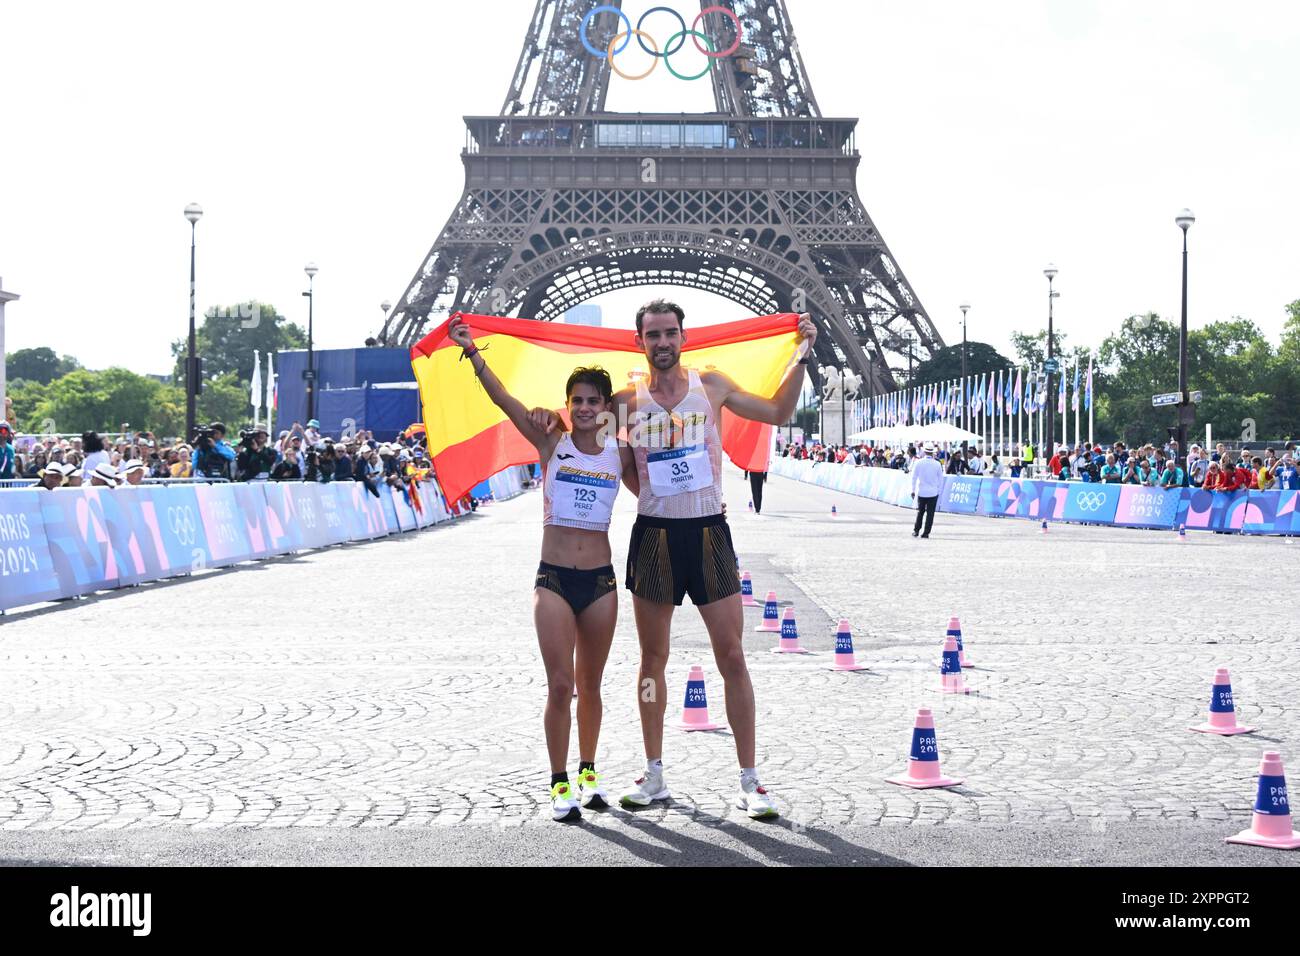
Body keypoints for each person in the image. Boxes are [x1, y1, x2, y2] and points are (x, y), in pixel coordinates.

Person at [533, 300, 816, 820]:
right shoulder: (624, 402)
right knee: (652, 662)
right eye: (652, 335)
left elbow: (777, 412)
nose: (662, 342)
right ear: (639, 340)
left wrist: (801, 357)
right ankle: (655, 771)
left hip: (709, 533)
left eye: (670, 333)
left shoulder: (712, 387)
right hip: (655, 538)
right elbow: (580, 432)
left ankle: (751, 781)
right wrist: (547, 420)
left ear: (684, 337)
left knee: (732, 655)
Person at [451, 315, 638, 823]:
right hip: (554, 579)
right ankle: (559, 783)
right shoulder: (550, 443)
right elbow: (503, 400)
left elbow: (643, 405)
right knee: (561, 686)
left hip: (600, 583)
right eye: (575, 400)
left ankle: (589, 773)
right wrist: (473, 353)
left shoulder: (621, 454)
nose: (582, 408)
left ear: (604, 408)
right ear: (567, 404)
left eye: (592, 401)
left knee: (593, 687)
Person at [911, 442, 943, 538]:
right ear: (933, 452)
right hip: (933, 492)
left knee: (920, 512)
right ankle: (926, 533)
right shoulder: (937, 464)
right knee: (930, 514)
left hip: (921, 491)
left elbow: (914, 477)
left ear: (924, 451)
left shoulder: (918, 462)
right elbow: (941, 479)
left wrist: (912, 490)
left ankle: (916, 530)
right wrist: (939, 492)